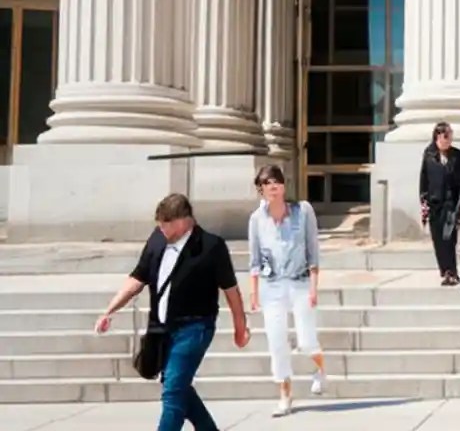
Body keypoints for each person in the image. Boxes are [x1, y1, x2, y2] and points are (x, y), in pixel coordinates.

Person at [95, 194, 249, 431]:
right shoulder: (157, 240)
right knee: (177, 385)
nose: (161, 229)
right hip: (161, 328)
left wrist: (240, 326)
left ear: (183, 221)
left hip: (195, 327)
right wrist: (109, 310)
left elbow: (230, 289)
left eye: (166, 224)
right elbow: (138, 278)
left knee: (173, 392)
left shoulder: (211, 246)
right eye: (159, 224)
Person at [248, 164, 326, 417]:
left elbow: (313, 251)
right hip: (272, 287)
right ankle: (285, 394)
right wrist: (254, 292)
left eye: (276, 181)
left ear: (283, 185)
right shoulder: (257, 219)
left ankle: (319, 369)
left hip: (300, 282)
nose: (272, 186)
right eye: (267, 183)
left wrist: (314, 287)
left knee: (306, 340)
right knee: (277, 342)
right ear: (261, 190)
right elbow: (254, 260)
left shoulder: (303, 211)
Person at [419, 121, 460, 285]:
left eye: (448, 136)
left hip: (452, 203)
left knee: (449, 237)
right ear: (436, 137)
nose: (446, 140)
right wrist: (423, 201)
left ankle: (452, 271)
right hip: (434, 204)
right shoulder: (429, 155)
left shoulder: (458, 156)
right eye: (442, 136)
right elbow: (424, 180)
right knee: (438, 239)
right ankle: (445, 271)